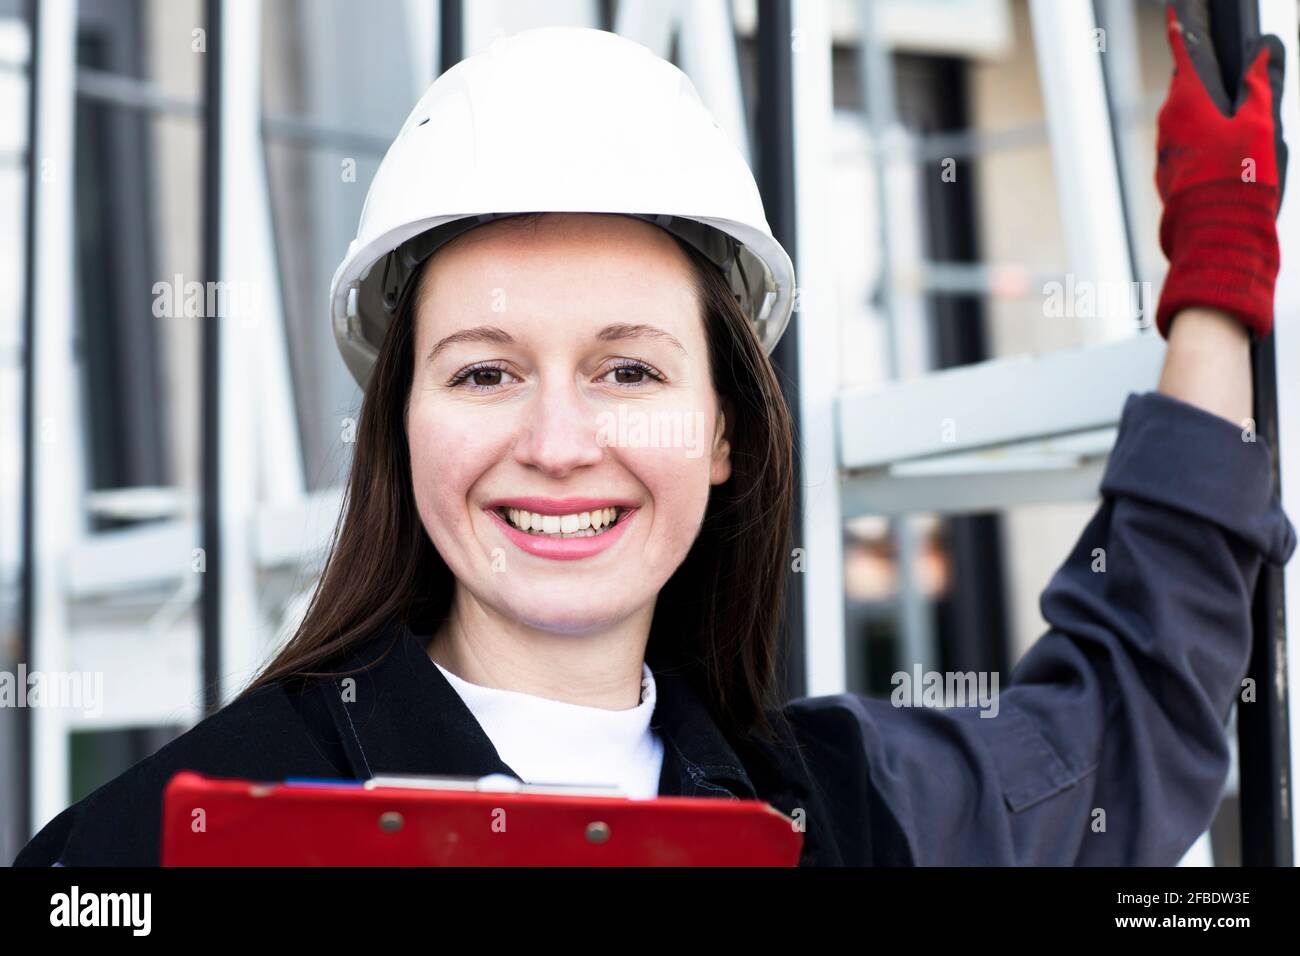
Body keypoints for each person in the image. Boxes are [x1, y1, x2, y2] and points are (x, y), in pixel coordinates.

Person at [14, 11, 1296, 867]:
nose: (560, 441)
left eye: (627, 367)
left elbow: (1118, 729)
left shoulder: (846, 809)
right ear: (403, 430)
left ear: (727, 428)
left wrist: (1217, 286)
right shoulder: (158, 848)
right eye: (485, 371)